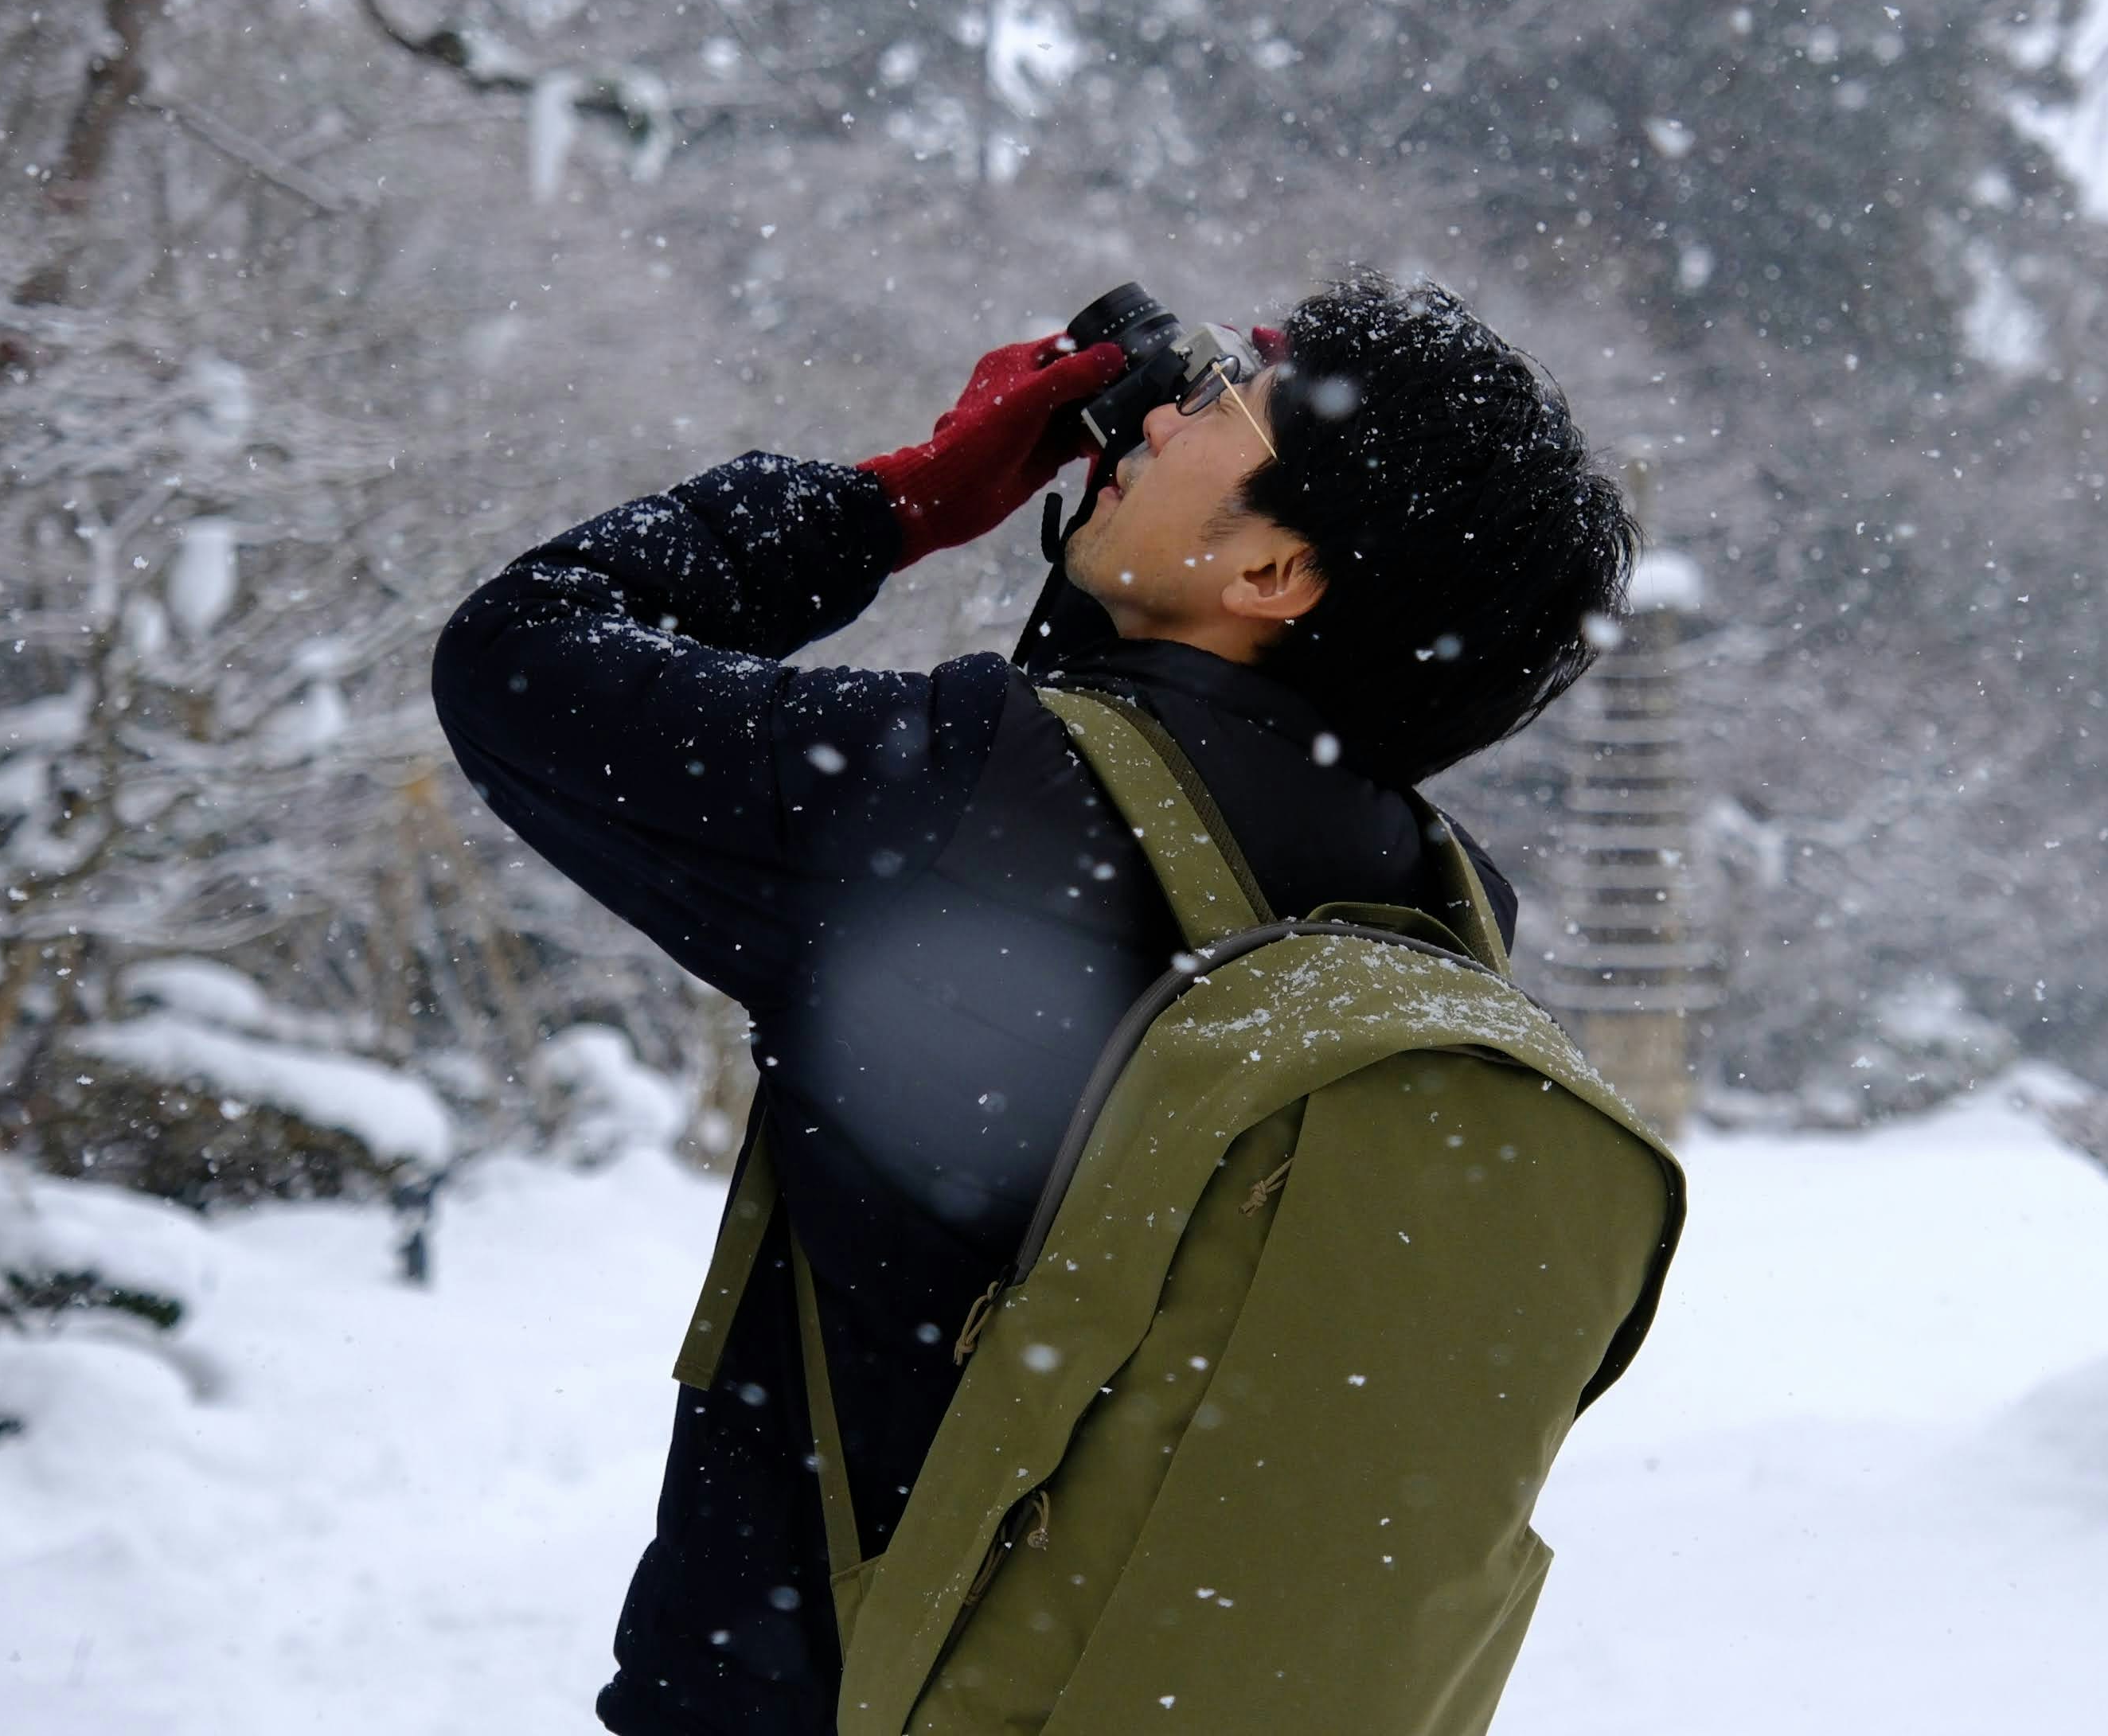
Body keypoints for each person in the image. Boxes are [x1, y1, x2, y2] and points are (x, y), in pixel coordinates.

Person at [431, 270, 1636, 1735]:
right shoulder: (1446, 909)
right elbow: (1123, 802)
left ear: (1273, 574)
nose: (1168, 410)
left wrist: (901, 500)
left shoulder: (962, 790)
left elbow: (519, 655)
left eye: (1226, 398)